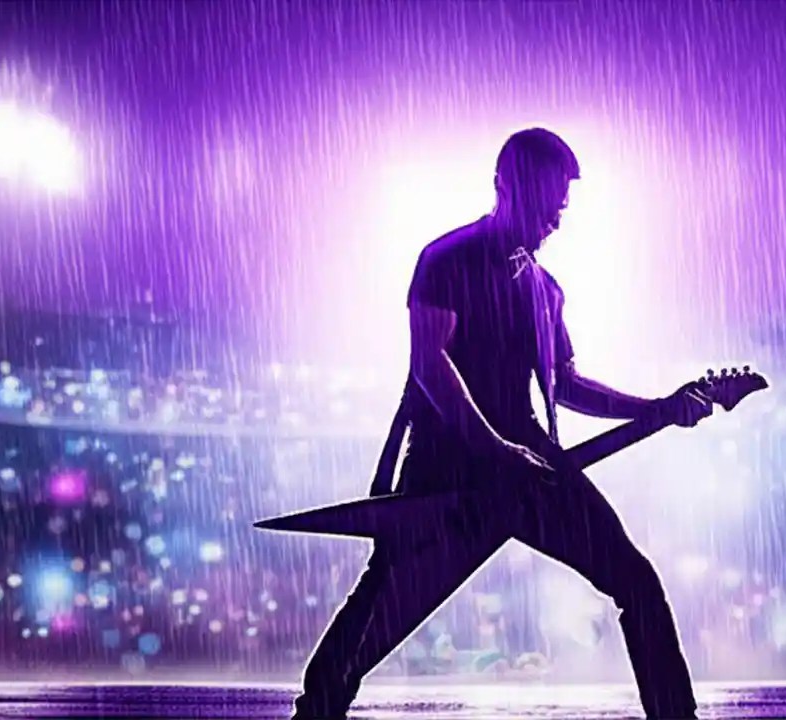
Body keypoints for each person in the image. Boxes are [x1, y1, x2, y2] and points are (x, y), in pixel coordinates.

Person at [292, 128, 712, 719]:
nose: (556, 221)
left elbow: (565, 383)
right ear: (507, 187)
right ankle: (315, 711)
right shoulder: (447, 258)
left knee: (637, 583)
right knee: (380, 607)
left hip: (530, 465)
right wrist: (492, 447)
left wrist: (657, 408)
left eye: (561, 207)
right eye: (548, 204)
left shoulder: (546, 289)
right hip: (446, 464)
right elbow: (429, 363)